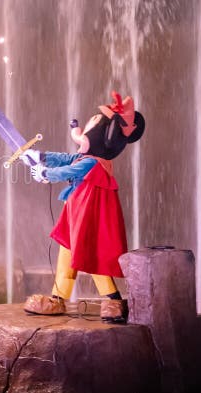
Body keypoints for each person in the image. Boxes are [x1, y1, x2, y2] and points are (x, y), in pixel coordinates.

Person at [20, 91, 145, 323]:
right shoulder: (86, 158)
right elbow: (66, 159)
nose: (80, 133)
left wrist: (46, 173)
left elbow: (69, 170)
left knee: (92, 254)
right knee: (67, 254)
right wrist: (40, 156)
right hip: (75, 216)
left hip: (87, 219)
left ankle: (113, 299)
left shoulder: (93, 162)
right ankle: (58, 298)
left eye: (89, 131)